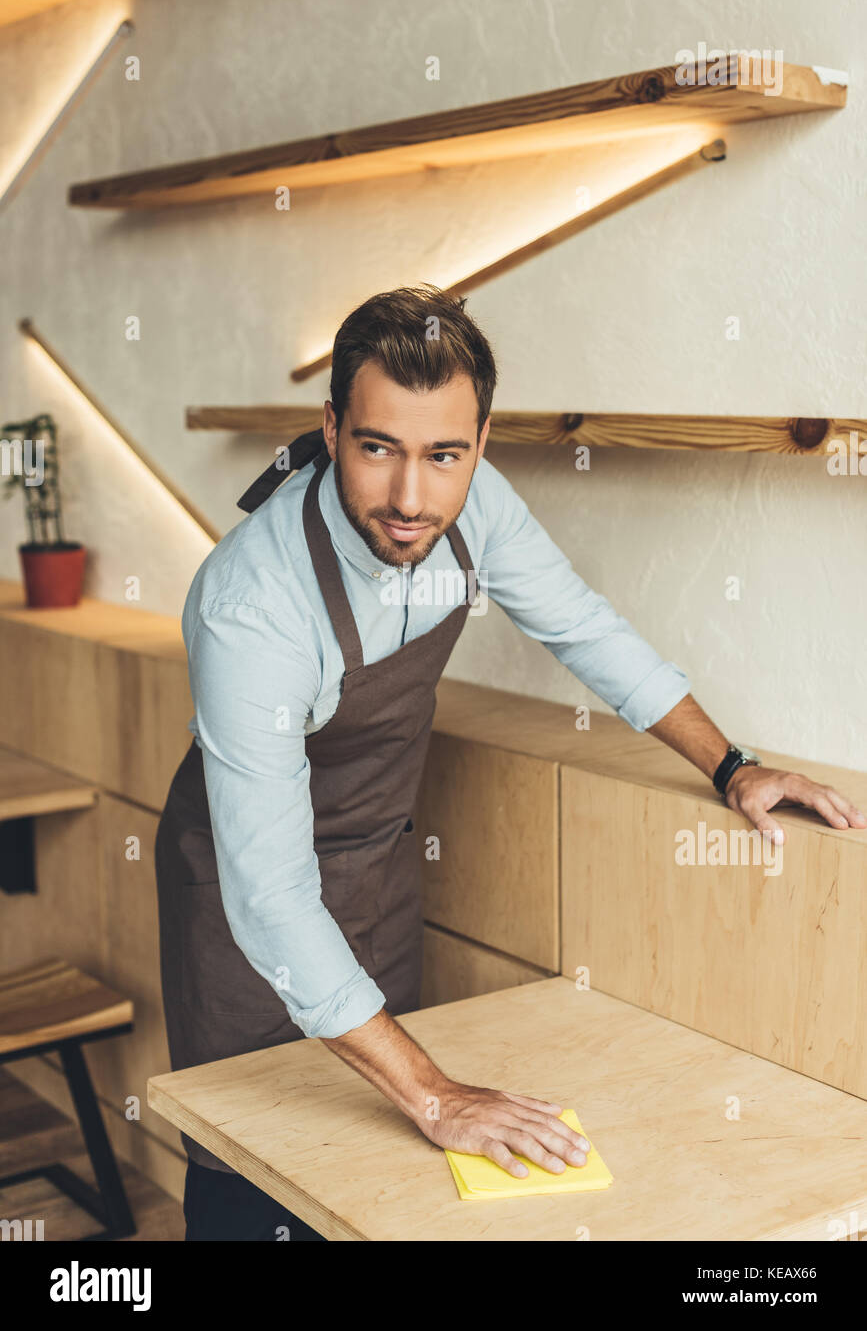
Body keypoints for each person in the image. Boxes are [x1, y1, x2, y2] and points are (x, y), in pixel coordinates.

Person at [154, 283, 865, 1241]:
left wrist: (729, 765)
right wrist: (440, 1096)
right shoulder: (252, 605)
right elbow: (272, 897)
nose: (411, 497)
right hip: (240, 898)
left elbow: (584, 629)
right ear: (329, 429)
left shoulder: (474, 503)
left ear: (479, 444)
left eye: (443, 454)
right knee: (249, 1156)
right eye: (377, 448)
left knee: (365, 1154)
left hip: (375, 866)